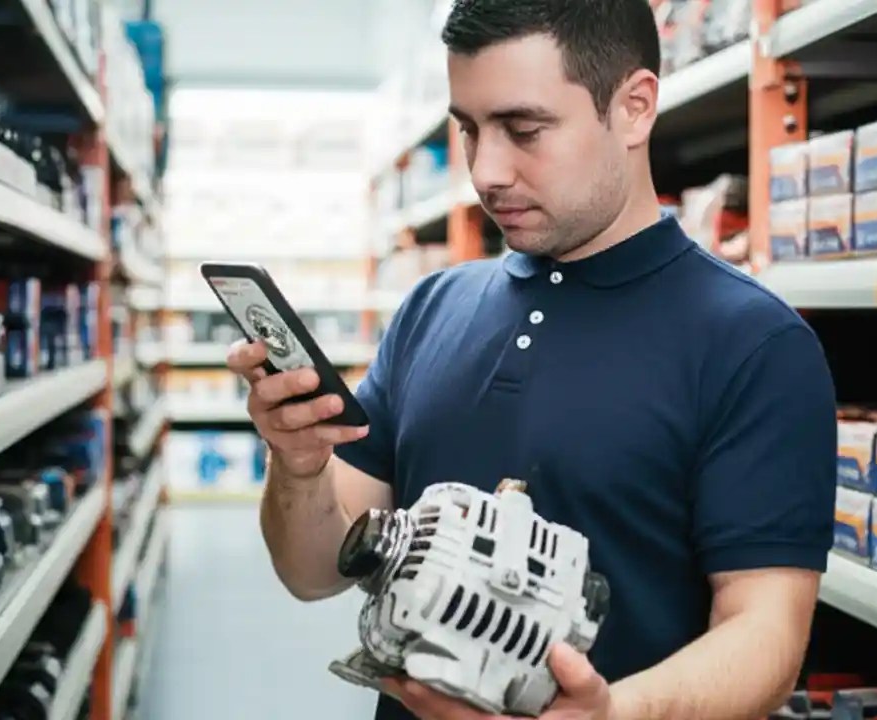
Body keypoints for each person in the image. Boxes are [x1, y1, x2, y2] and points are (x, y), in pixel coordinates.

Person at [226, 1, 839, 718]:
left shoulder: (754, 345)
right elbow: (312, 572)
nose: (486, 171)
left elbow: (765, 633)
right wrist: (297, 468)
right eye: (468, 129)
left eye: (524, 130)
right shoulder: (431, 309)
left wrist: (610, 714)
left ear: (635, 108)